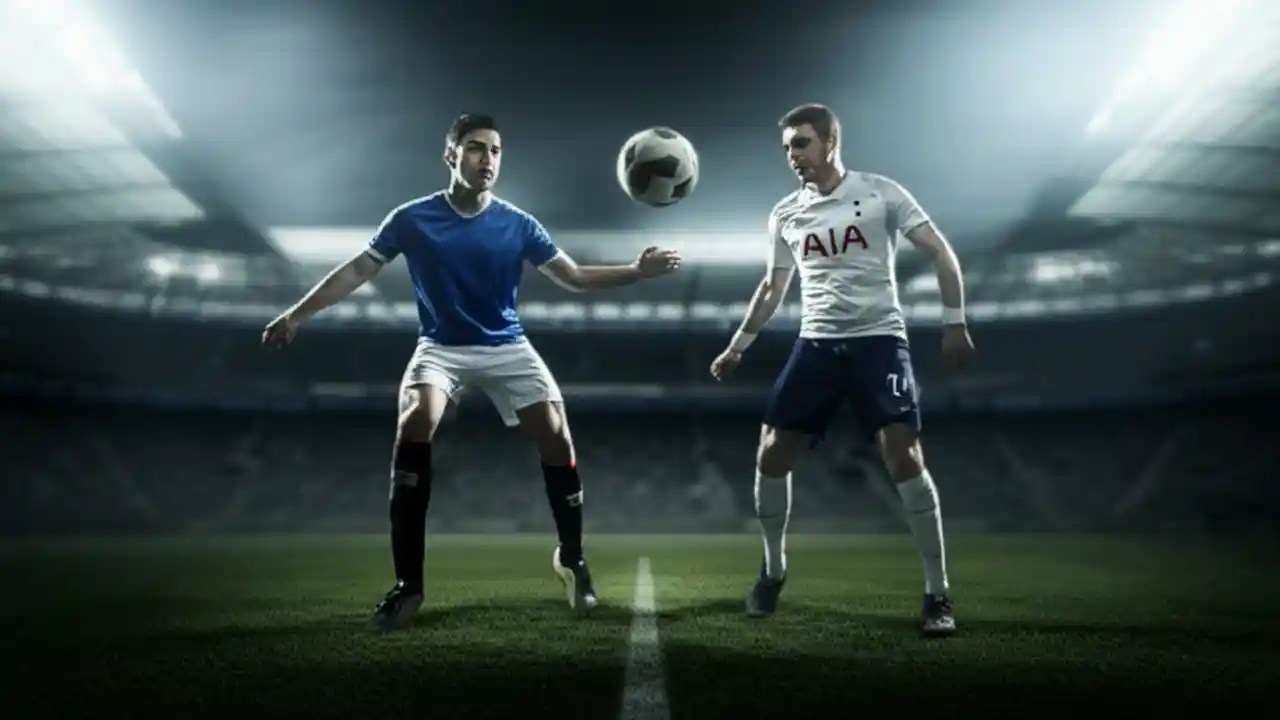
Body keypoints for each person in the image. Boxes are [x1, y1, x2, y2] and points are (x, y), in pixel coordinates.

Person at [262, 113, 681, 631]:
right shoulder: (411, 218)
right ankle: (407, 586)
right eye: (478, 148)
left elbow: (573, 277)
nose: (489, 159)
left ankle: (571, 558)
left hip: (507, 345)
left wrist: (638, 272)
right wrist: (296, 314)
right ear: (452, 155)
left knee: (556, 439)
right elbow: (356, 270)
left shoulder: (518, 223)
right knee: (415, 421)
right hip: (440, 346)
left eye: (497, 151)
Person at [709, 103, 974, 636]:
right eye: (786, 148)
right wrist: (738, 346)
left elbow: (941, 252)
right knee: (770, 452)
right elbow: (772, 287)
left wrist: (955, 322)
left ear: (831, 141)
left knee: (902, 452)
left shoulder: (881, 192)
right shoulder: (785, 213)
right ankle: (774, 569)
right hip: (818, 345)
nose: (793, 157)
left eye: (801, 144)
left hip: (879, 341)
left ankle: (937, 594)